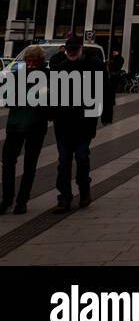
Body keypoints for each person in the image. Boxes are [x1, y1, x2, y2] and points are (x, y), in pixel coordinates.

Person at [49, 33, 104, 213]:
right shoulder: (59, 68)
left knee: (81, 157)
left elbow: (103, 90)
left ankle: (84, 189)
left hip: (83, 124)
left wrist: (101, 116)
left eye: (74, 49)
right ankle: (64, 197)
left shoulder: (93, 66)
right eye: (69, 50)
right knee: (63, 161)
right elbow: (52, 96)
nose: (71, 53)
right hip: (63, 124)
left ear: (81, 49)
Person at [1, 46, 50, 215]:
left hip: (35, 126)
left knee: (30, 164)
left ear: (40, 62)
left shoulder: (46, 78)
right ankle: (7, 198)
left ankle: (22, 200)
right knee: (7, 162)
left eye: (34, 62)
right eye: (28, 61)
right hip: (15, 125)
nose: (31, 65)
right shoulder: (16, 76)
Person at [102, 49, 124, 124]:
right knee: (111, 91)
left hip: (114, 76)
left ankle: (107, 119)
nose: (114, 53)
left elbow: (117, 66)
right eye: (113, 52)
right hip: (112, 76)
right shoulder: (114, 59)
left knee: (112, 89)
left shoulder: (118, 59)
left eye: (115, 52)